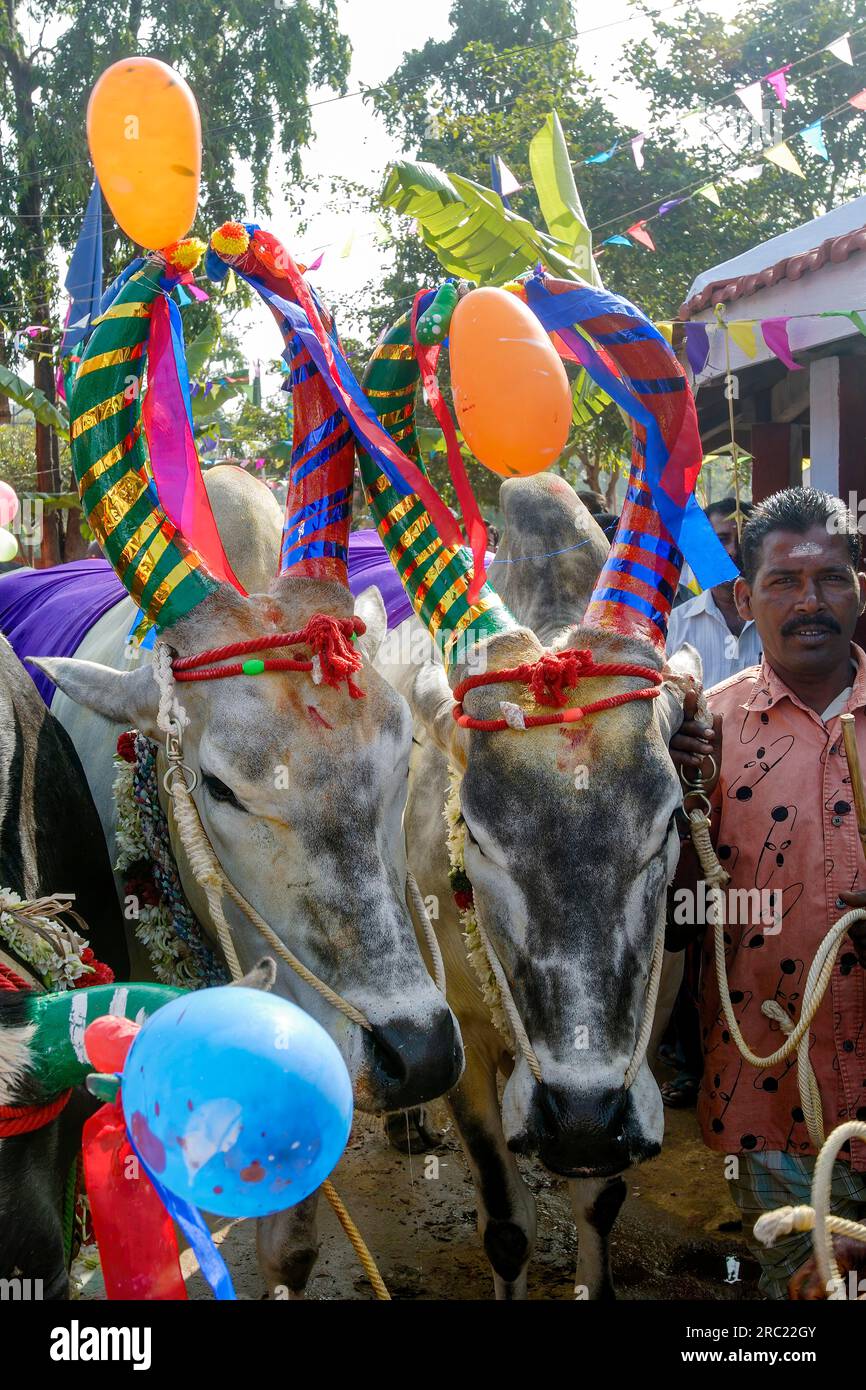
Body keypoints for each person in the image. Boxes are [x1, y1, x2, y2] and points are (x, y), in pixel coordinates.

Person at [669, 487, 866, 1299]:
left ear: (862, 586)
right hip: (768, 1104)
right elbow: (679, 926)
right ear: (745, 599)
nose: (809, 601)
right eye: (783, 581)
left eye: (831, 578)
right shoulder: (704, 733)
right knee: (807, 1295)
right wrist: (673, 800)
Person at [660, 499, 759, 1108]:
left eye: (733, 539)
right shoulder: (678, 623)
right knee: (687, 932)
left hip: (760, 795)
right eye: (713, 538)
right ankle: (694, 1063)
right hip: (690, 797)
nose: (721, 550)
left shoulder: (769, 617)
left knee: (749, 932)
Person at [666, 498, 762, 689]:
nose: (734, 551)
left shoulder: (777, 618)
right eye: (722, 540)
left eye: (743, 539)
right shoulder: (677, 623)